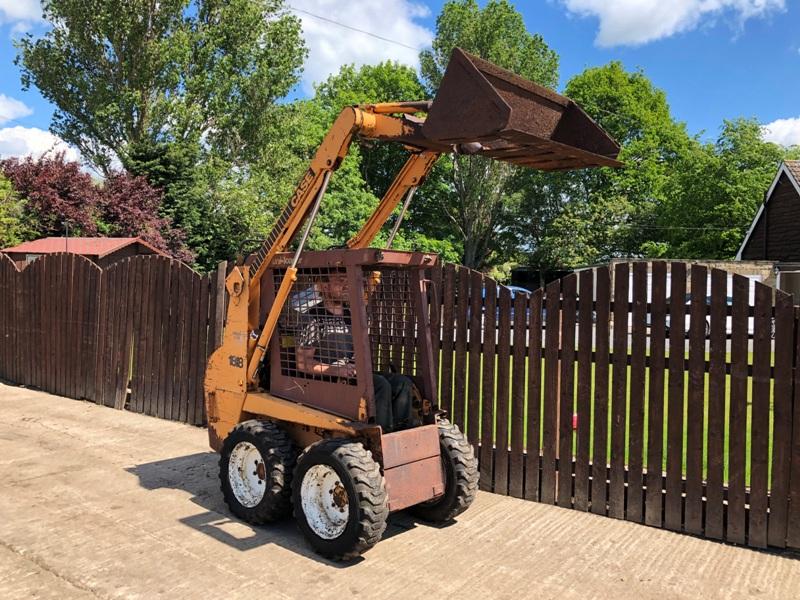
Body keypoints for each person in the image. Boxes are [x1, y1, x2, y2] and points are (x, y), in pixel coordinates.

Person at [294, 271, 413, 432]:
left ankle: (403, 432)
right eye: (340, 280)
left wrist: (355, 364)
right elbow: (303, 363)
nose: (347, 285)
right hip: (328, 381)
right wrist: (337, 370)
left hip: (352, 375)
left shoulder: (353, 316)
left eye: (348, 280)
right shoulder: (314, 318)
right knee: (380, 385)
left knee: (401, 382)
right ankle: (381, 436)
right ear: (324, 285)